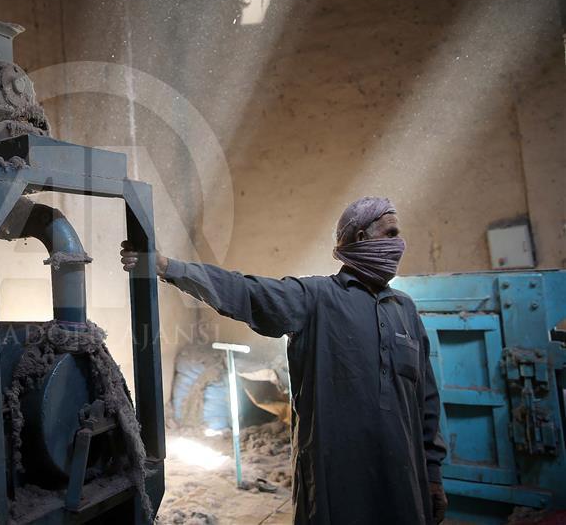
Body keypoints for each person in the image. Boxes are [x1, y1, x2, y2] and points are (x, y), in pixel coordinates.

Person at [121, 196, 448, 525]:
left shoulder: (404, 310)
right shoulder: (316, 298)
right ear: (362, 238)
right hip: (337, 487)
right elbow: (246, 292)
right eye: (391, 234)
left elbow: (426, 402)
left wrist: (433, 476)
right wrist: (168, 267)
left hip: (404, 485)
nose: (399, 244)